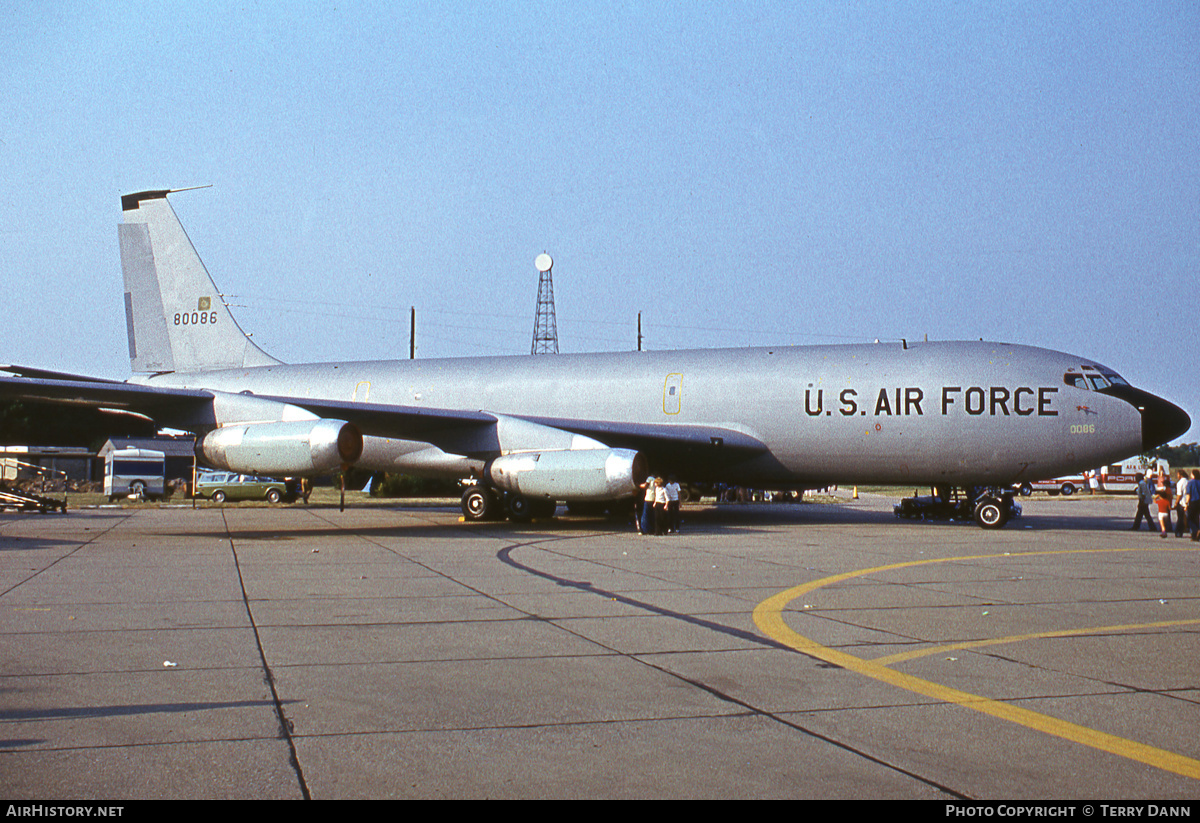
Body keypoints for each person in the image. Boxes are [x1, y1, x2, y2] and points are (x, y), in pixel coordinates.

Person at [1154, 473, 1172, 538]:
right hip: (1168, 504)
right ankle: (1167, 528)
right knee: (1167, 518)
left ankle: (1164, 531)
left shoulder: (1167, 490)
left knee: (1162, 523)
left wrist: (1158, 495)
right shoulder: (1169, 490)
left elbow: (1155, 500)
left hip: (1162, 511)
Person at [1175, 470, 1190, 538]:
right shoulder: (1188, 482)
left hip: (1181, 502)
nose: (1177, 476)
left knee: (1180, 518)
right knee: (1188, 517)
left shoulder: (1180, 483)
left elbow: (1179, 495)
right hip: (1188, 502)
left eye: (1178, 474)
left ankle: (1179, 532)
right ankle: (1188, 528)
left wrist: (1176, 503)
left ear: (1180, 475)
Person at [1188, 470, 1200, 542]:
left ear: (1193, 475)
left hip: (1193, 502)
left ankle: (1196, 530)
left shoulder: (1190, 483)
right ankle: (1195, 536)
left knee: (1189, 518)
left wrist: (1186, 503)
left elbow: (1188, 494)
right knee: (1196, 518)